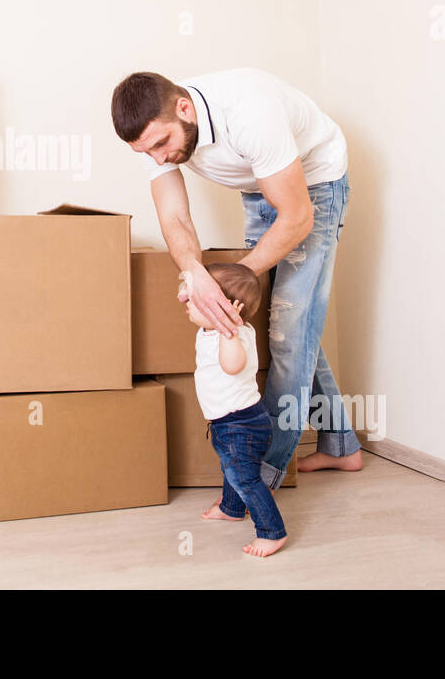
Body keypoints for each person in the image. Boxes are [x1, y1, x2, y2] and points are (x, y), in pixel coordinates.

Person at [111, 68, 361, 491]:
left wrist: (237, 275)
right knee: (289, 325)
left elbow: (297, 217)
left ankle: (259, 481)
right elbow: (174, 216)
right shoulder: (151, 132)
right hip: (259, 186)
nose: (157, 158)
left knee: (288, 330)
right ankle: (340, 445)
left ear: (184, 108)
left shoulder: (249, 112)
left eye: (162, 145)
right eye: (146, 151)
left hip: (313, 187)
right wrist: (194, 274)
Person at [183, 262, 287, 556]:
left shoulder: (233, 336)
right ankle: (231, 507)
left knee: (244, 477)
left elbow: (233, 366)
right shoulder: (210, 329)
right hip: (227, 423)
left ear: (227, 310)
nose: (188, 301)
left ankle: (271, 531)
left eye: (196, 299)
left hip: (241, 424)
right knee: (231, 468)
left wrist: (227, 331)